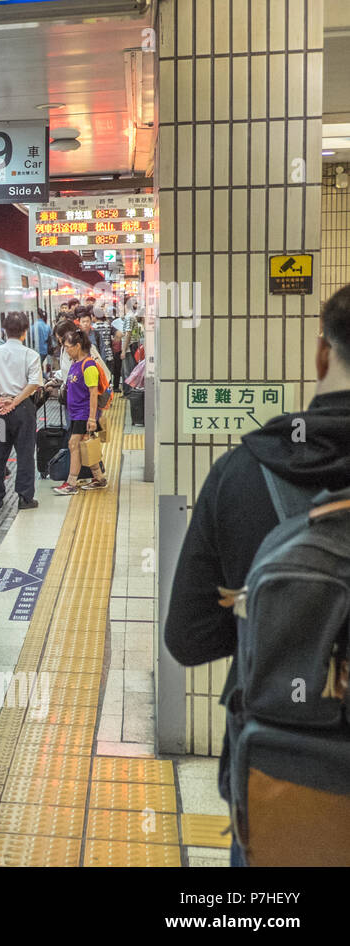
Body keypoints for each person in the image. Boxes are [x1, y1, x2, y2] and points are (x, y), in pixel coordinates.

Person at [165, 284, 350, 867]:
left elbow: (188, 636)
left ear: (323, 354)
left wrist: (278, 625)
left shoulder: (247, 469)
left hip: (287, 788)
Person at [0, 312, 44, 510]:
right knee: (25, 454)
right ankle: (25, 498)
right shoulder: (30, 355)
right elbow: (34, 384)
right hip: (22, 411)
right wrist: (15, 401)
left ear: (4, 331)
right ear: (25, 332)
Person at [53, 329, 108, 495]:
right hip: (77, 413)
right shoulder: (75, 364)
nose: (66, 350)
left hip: (84, 414)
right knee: (85, 445)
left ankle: (71, 483)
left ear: (78, 346)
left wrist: (92, 418)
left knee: (74, 444)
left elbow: (93, 393)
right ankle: (99, 479)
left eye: (68, 347)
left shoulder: (88, 366)